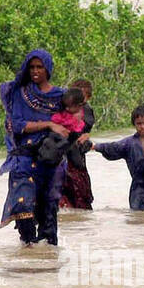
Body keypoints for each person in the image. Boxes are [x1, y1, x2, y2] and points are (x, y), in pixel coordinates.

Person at [0, 49, 68, 246]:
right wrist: (47, 124)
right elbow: (17, 125)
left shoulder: (60, 96)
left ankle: (47, 261)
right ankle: (27, 252)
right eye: (32, 67)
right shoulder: (21, 94)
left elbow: (73, 122)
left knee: (48, 208)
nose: (35, 71)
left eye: (40, 67)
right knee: (23, 205)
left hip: (50, 159)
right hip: (25, 157)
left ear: (48, 69)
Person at [57, 78, 96, 210]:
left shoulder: (87, 110)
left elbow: (85, 131)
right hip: (62, 154)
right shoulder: (64, 108)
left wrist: (85, 137)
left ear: (88, 97)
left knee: (79, 191)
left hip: (77, 155)